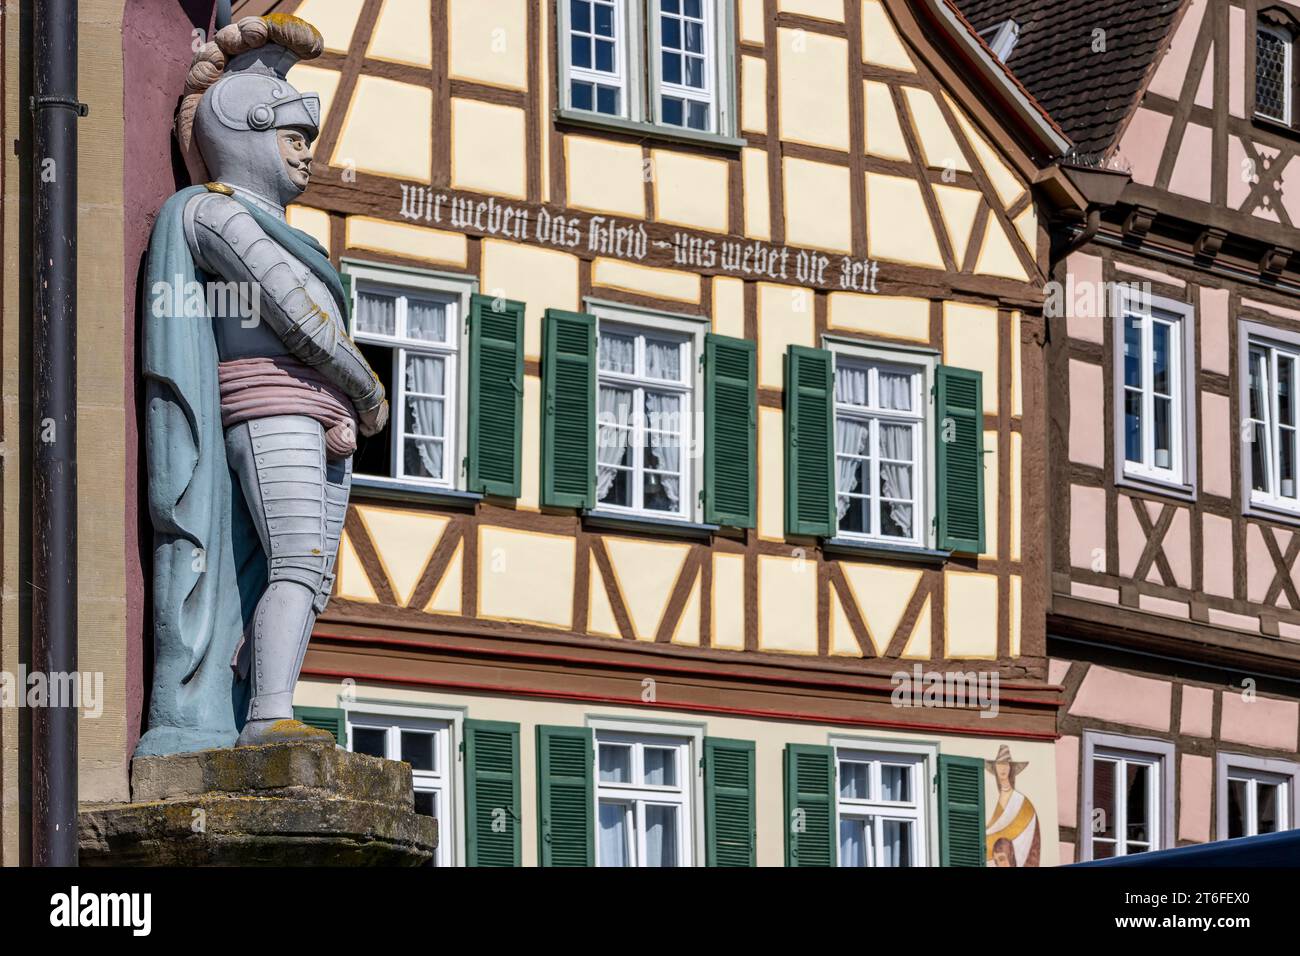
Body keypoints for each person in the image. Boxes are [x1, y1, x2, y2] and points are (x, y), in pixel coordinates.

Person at [137, 14, 387, 755]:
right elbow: (300, 318)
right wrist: (370, 392)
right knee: (297, 559)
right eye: (294, 139)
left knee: (313, 575)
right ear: (244, 132)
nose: (308, 157)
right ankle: (266, 714)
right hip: (273, 403)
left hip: (315, 415)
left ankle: (265, 699)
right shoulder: (218, 214)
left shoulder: (280, 226)